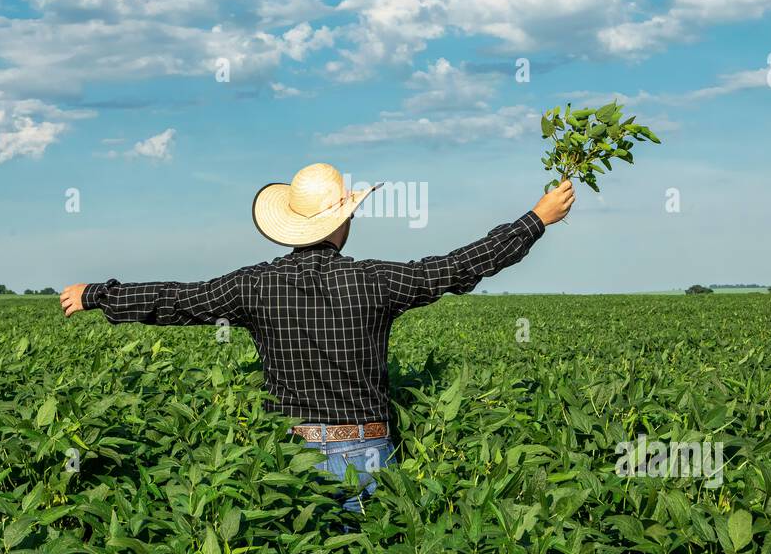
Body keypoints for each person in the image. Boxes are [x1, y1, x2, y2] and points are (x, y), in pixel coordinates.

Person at [60, 162, 575, 515]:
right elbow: (457, 268)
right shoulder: (375, 280)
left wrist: (98, 294)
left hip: (292, 456)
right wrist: (536, 219)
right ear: (343, 219)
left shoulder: (253, 286)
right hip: (369, 450)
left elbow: (179, 299)